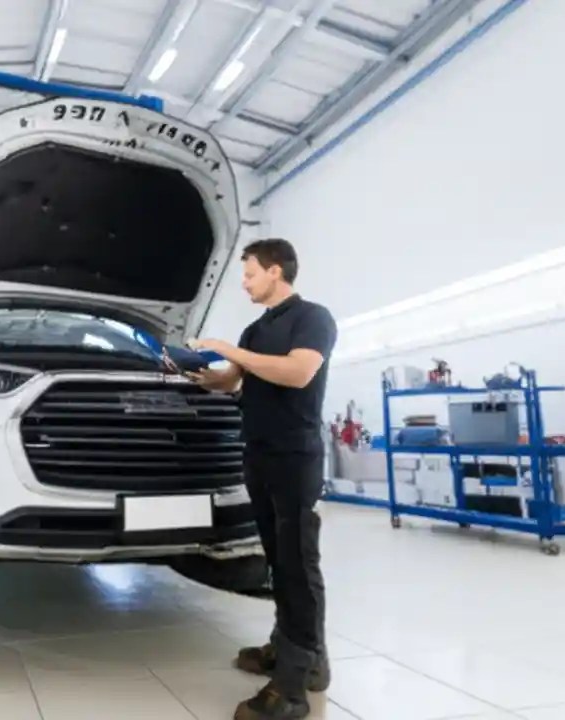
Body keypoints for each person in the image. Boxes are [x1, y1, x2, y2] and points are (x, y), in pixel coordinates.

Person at [186, 238, 337, 720]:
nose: (246, 282)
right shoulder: (255, 330)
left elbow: (297, 373)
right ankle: (301, 657)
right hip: (259, 455)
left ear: (275, 272)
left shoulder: (312, 317)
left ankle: (291, 689)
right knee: (277, 561)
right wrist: (195, 371)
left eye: (250, 273)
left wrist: (230, 350)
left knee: (297, 563)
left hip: (295, 457)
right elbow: (233, 380)